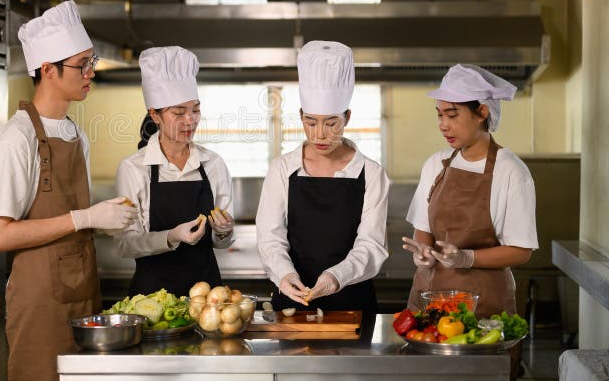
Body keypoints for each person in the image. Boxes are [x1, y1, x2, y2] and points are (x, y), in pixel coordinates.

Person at [0, 1, 136, 381]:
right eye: (81, 65)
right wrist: (84, 217)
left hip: (84, 295)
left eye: (92, 62)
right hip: (39, 306)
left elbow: (72, 224)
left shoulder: (74, 134)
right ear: (48, 70)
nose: (90, 74)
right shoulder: (15, 138)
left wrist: (105, 219)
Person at [256, 41, 390, 312]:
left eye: (331, 123)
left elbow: (371, 245)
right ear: (301, 116)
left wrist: (336, 277)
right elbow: (270, 238)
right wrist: (285, 275)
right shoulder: (282, 169)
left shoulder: (371, 174)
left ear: (347, 117)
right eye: (310, 122)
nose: (320, 134)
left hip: (353, 303)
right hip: (293, 301)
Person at [403, 64, 538, 318]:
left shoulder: (511, 172)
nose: (443, 125)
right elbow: (423, 229)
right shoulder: (436, 164)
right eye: (439, 115)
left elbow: (521, 250)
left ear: (481, 113)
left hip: (484, 309)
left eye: (452, 115)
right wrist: (423, 254)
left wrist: (466, 258)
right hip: (429, 302)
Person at [115, 46, 234, 297]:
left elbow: (221, 243)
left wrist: (223, 231)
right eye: (178, 112)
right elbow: (125, 244)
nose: (190, 120)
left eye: (195, 109)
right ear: (154, 115)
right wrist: (170, 237)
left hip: (207, 298)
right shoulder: (134, 168)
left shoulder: (214, 164)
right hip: (151, 299)